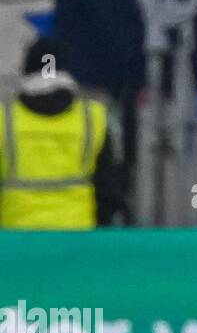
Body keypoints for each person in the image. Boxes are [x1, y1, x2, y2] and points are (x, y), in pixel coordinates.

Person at [0, 38, 123, 230]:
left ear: (26, 70)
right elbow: (108, 191)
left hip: (15, 240)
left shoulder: (4, 119)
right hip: (77, 238)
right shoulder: (93, 118)